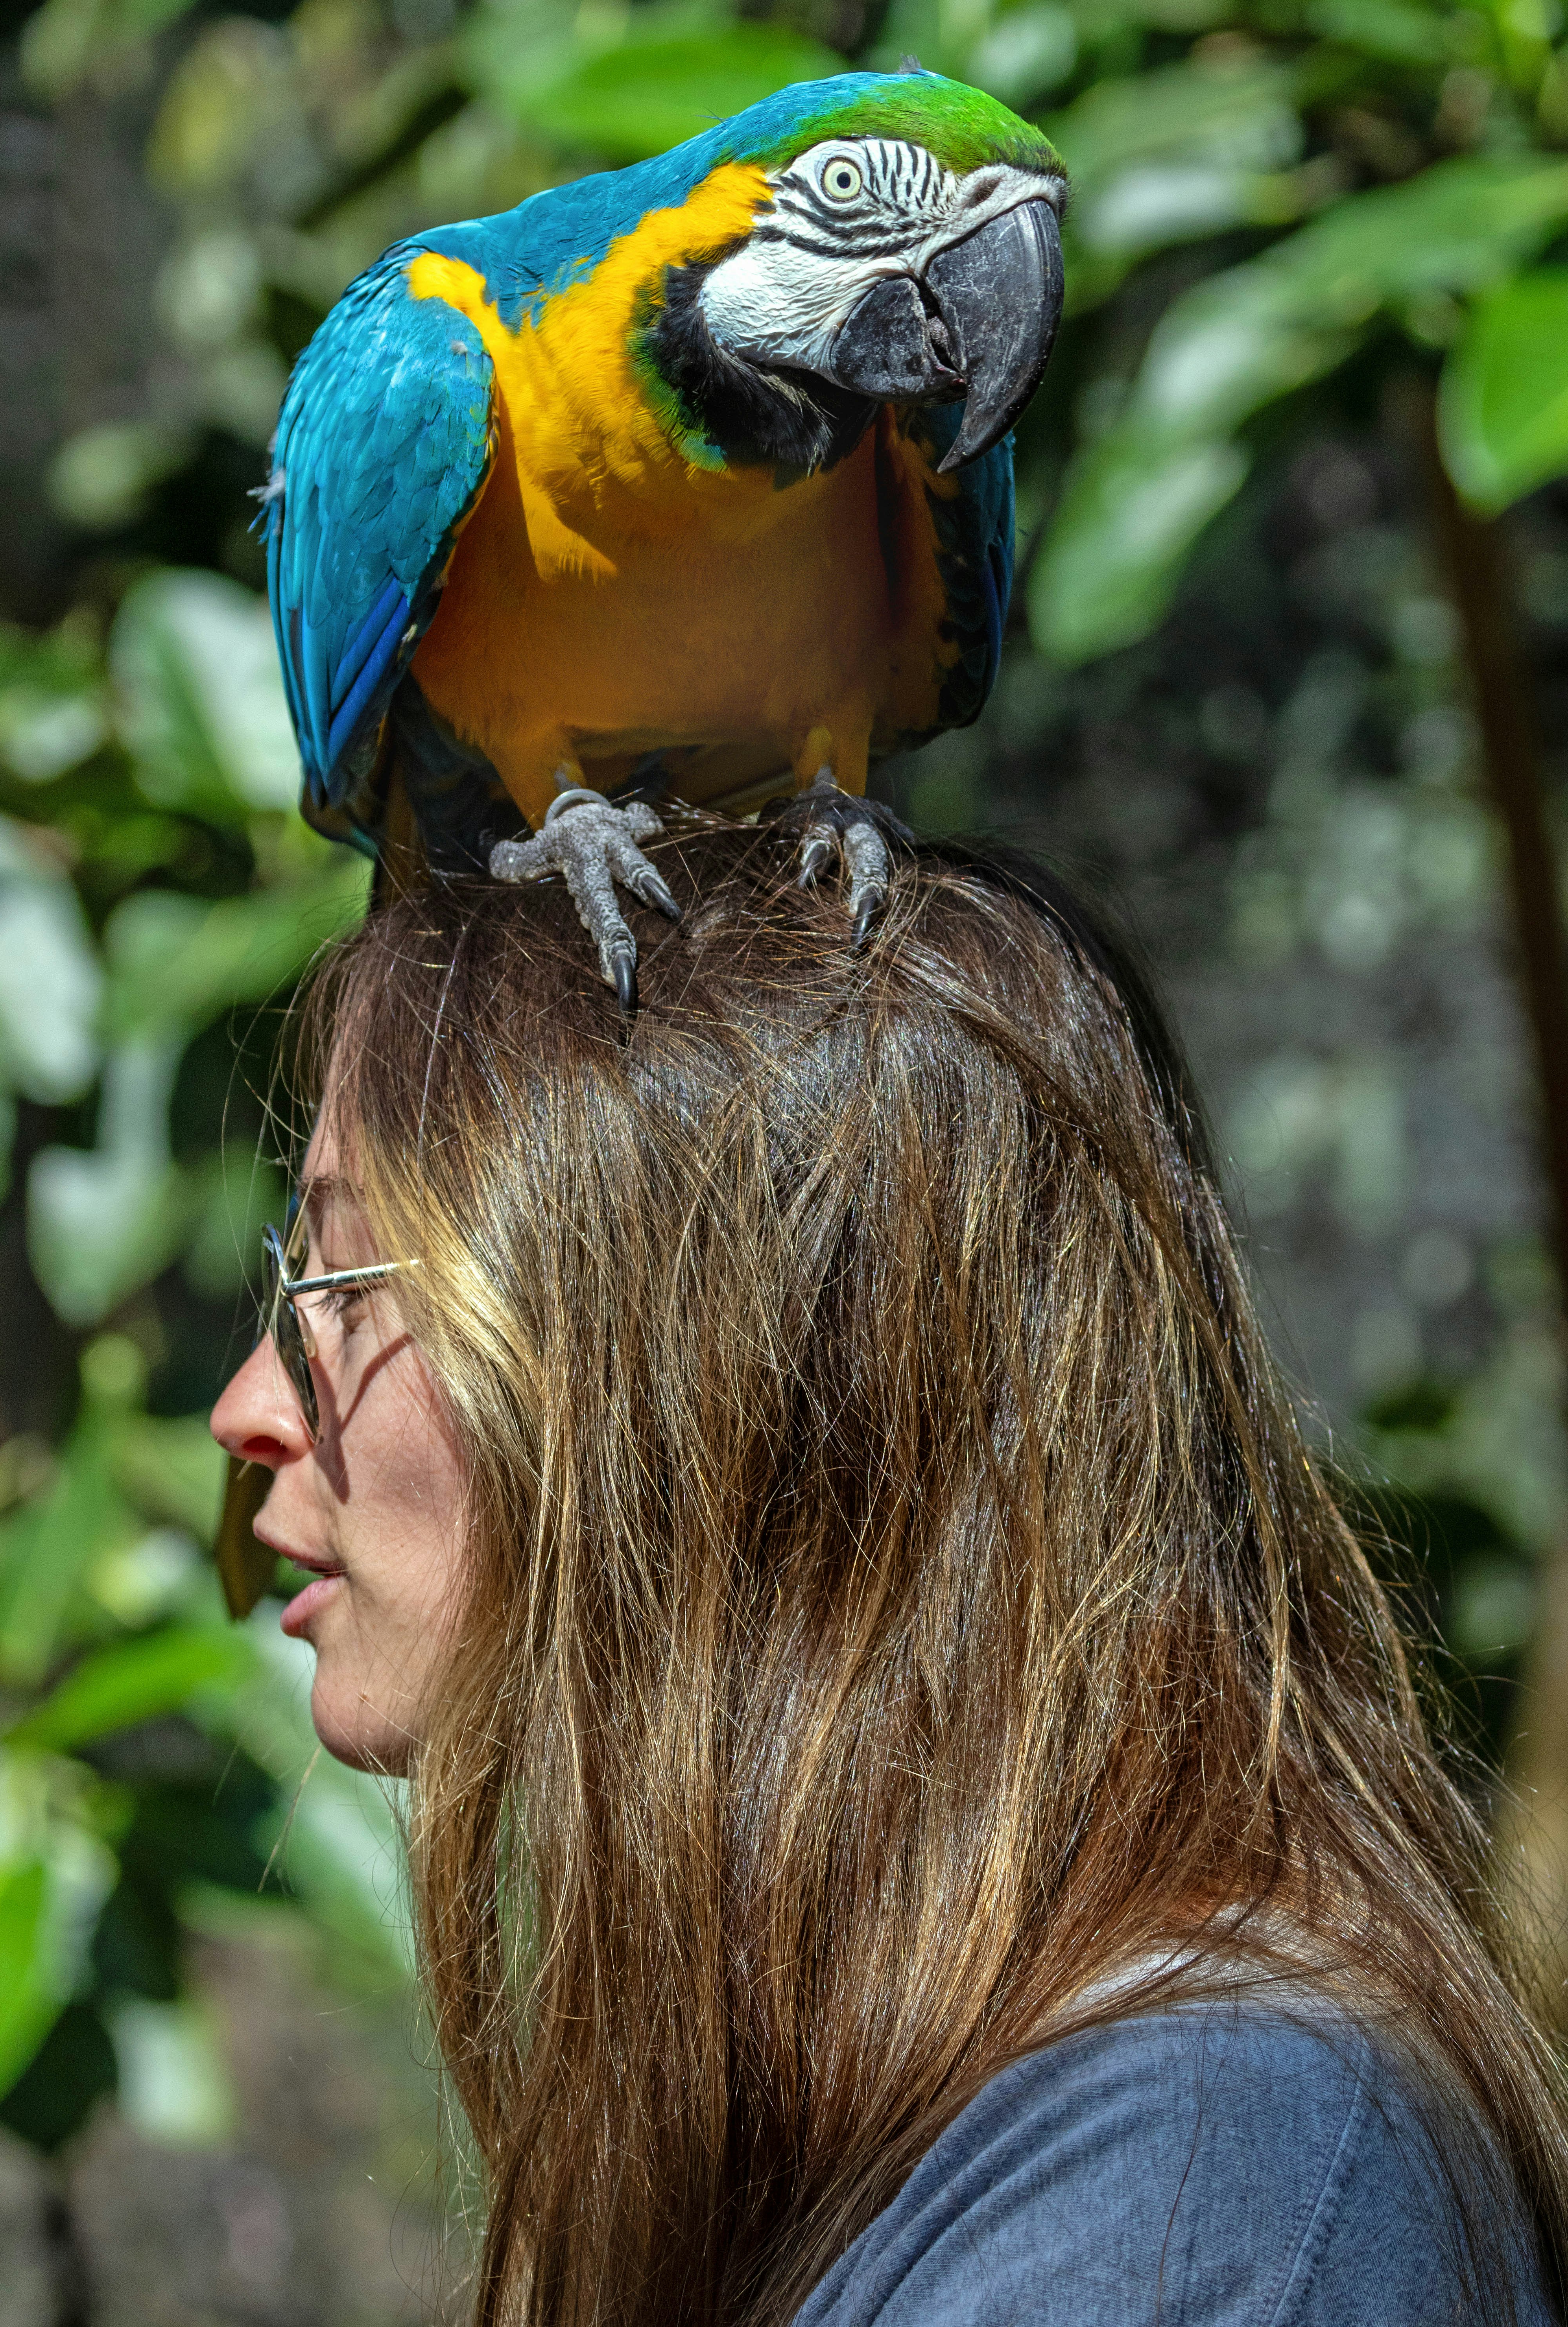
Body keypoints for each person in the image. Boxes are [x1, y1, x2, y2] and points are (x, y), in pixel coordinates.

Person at [212, 808, 1568, 2326]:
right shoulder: (937, 2112)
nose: (247, 1412)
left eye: (332, 1285)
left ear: (712, 1374)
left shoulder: (1194, 2191)